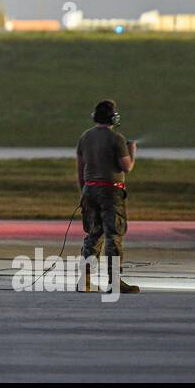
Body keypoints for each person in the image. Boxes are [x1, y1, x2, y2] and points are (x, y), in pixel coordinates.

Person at [75, 99, 140, 294]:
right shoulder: (116, 139)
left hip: (90, 189)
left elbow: (80, 169)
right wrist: (133, 152)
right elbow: (126, 166)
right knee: (113, 236)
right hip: (111, 191)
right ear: (114, 118)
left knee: (93, 235)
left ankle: (84, 281)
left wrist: (83, 194)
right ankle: (114, 281)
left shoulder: (85, 138)